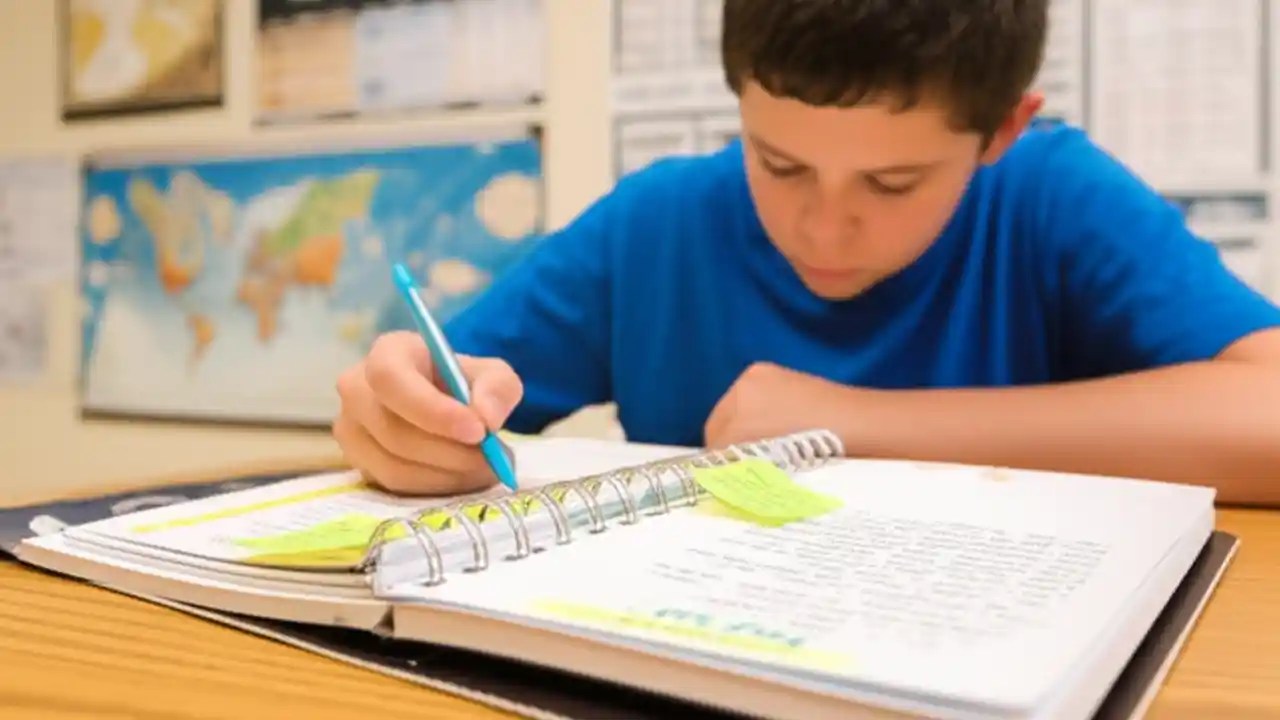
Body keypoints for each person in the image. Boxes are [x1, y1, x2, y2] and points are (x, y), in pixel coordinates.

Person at [333, 0, 1280, 503]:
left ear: (1001, 131)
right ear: (739, 100)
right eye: (778, 163)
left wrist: (851, 420)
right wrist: (405, 413)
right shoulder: (658, 225)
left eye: (893, 185)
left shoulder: (1051, 198)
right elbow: (439, 384)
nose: (823, 231)